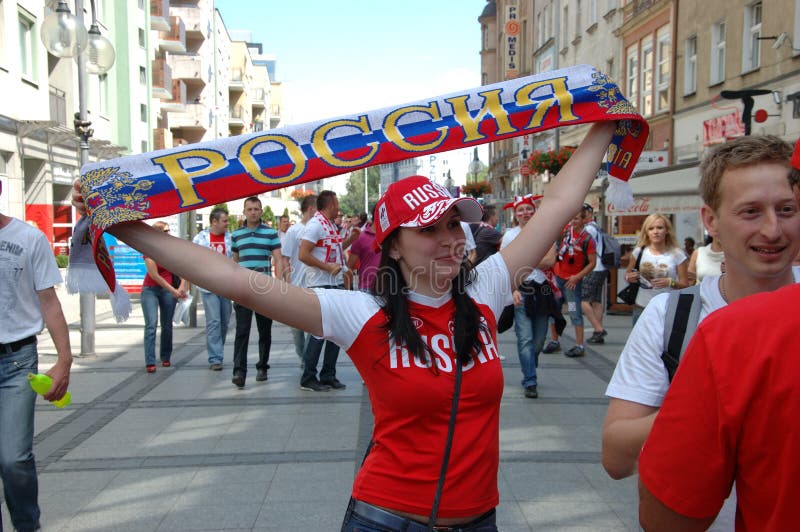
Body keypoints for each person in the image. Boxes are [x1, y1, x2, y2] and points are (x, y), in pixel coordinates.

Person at [72, 122, 616, 530]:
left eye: (456, 223)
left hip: (479, 519)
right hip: (384, 517)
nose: (452, 238)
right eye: (431, 229)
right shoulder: (362, 311)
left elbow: (560, 201)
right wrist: (119, 220)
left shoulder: (486, 288)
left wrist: (607, 121)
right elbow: (235, 281)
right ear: (393, 246)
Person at [602, 134, 800, 530]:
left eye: (787, 209)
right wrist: (713, 404)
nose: (773, 229)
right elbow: (616, 456)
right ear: (711, 221)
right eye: (750, 212)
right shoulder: (673, 315)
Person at [1, 183, 73, 532]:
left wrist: (65, 358)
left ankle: (28, 526)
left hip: (16, 360)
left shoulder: (29, 239)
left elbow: (49, 301)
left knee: (13, 459)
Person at [500, 195, 556, 398]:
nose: (525, 213)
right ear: (515, 214)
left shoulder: (546, 231)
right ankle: (530, 380)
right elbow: (505, 265)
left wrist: (522, 259)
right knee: (525, 339)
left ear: (534, 211)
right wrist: (512, 290)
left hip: (542, 290)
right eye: (520, 210)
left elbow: (550, 260)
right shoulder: (509, 236)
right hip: (521, 289)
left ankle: (530, 364)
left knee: (539, 340)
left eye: (528, 209)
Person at [298, 190, 352, 391]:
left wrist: (351, 240)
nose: (338, 207)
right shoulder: (314, 225)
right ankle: (308, 377)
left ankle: (328, 374)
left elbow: (334, 250)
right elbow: (303, 254)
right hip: (320, 285)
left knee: (335, 332)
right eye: (337, 203)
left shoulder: (328, 224)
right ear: (330, 205)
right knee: (319, 332)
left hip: (334, 283)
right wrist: (327, 268)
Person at [230, 197, 284, 388]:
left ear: (261, 212)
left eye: (256, 209)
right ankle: (239, 371)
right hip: (243, 290)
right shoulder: (236, 235)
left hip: (264, 289)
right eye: (250, 209)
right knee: (242, 331)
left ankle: (262, 366)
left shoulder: (270, 233)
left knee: (264, 331)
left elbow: (278, 259)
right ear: (244, 211)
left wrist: (278, 284)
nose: (253, 212)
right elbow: (234, 263)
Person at [622, 213, 688, 324]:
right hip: (641, 307)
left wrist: (670, 282)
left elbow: (685, 284)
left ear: (667, 230)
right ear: (646, 232)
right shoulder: (639, 252)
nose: (655, 231)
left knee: (665, 341)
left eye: (660, 228)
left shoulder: (677, 254)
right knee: (640, 341)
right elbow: (628, 273)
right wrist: (629, 277)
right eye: (651, 228)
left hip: (667, 307)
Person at [141, 221, 187, 373]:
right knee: (151, 324)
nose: (169, 233)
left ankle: (165, 357)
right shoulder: (149, 249)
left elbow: (182, 269)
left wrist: (180, 288)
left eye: (169, 230)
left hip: (169, 291)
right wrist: (173, 290)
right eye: (166, 231)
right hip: (151, 290)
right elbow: (154, 275)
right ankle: (150, 361)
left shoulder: (172, 249)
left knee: (167, 325)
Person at [192, 207, 233, 370]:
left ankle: (218, 349)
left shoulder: (230, 238)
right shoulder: (200, 239)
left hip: (226, 286)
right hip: (208, 287)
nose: (227, 224)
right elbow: (193, 260)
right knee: (214, 321)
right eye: (224, 221)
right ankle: (215, 358)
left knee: (224, 322)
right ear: (214, 222)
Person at [552, 207, 597, 357]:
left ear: (583, 220)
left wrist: (577, 277)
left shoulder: (587, 239)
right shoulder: (566, 231)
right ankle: (554, 341)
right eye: (571, 218)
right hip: (558, 278)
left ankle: (579, 345)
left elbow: (592, 263)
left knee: (573, 311)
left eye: (576, 218)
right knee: (555, 310)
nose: (572, 221)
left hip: (571, 283)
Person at [281, 194, 317, 367]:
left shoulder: (318, 229)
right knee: (296, 330)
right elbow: (285, 258)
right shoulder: (293, 231)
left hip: (314, 285)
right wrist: (287, 281)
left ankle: (308, 362)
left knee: (313, 327)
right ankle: (303, 357)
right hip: (296, 286)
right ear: (311, 209)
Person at [580, 204, 609, 343]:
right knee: (596, 300)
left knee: (583, 300)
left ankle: (598, 329)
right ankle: (598, 332)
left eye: (582, 214)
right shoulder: (596, 227)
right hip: (601, 267)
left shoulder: (588, 229)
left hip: (593, 267)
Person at [346, 217, 380, 292]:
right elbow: (350, 266)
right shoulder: (361, 236)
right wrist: (348, 291)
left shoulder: (390, 237)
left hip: (387, 288)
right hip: (366, 288)